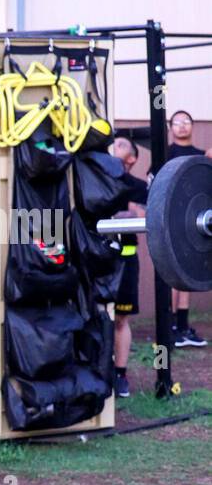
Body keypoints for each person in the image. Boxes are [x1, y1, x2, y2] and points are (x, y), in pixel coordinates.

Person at [108, 136, 149, 398]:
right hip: (99, 257)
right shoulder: (96, 180)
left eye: (121, 144)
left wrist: (115, 215)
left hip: (125, 259)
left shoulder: (138, 186)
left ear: (132, 158)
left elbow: (142, 216)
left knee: (121, 319)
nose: (114, 145)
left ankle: (120, 374)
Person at [165, 111, 206, 348]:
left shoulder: (202, 157)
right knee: (173, 274)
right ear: (170, 127)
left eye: (186, 122)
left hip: (195, 223)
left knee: (187, 273)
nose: (182, 126)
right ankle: (170, 326)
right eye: (177, 122)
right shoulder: (166, 154)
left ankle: (183, 326)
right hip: (171, 223)